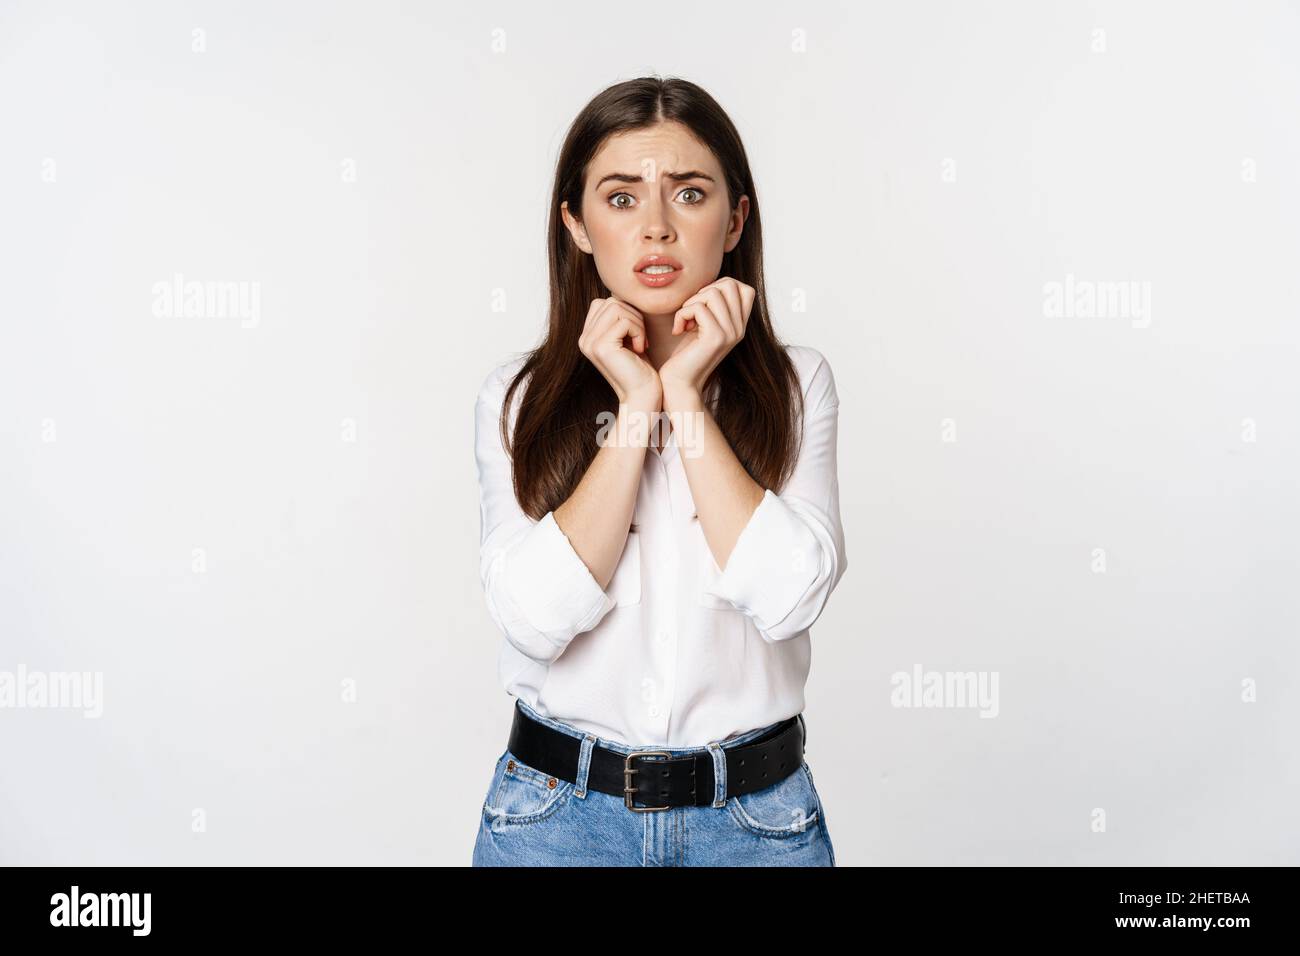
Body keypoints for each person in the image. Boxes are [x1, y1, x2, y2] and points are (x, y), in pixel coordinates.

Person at [471, 76, 847, 866]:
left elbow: (789, 598)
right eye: (619, 198)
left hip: (755, 827)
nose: (655, 228)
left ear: (735, 219)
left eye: (689, 194)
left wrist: (685, 395)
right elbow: (535, 620)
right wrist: (637, 407)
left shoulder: (796, 384)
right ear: (575, 224)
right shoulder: (517, 398)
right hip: (554, 823)